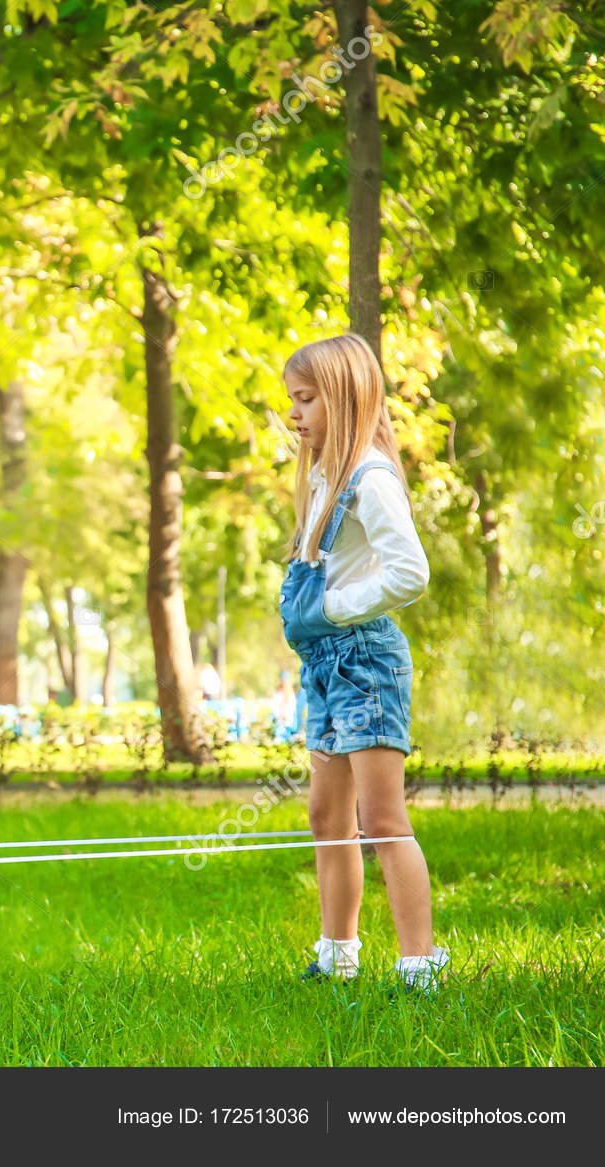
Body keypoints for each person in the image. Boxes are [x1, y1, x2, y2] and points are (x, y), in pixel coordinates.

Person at [280, 334, 445, 993]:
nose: (294, 414)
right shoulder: (326, 475)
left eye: (306, 399)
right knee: (327, 819)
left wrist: (335, 607)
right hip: (328, 664)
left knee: (382, 821)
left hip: (365, 663)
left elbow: (409, 572)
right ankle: (337, 955)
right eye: (292, 400)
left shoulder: (370, 478)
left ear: (343, 397)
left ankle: (419, 968)